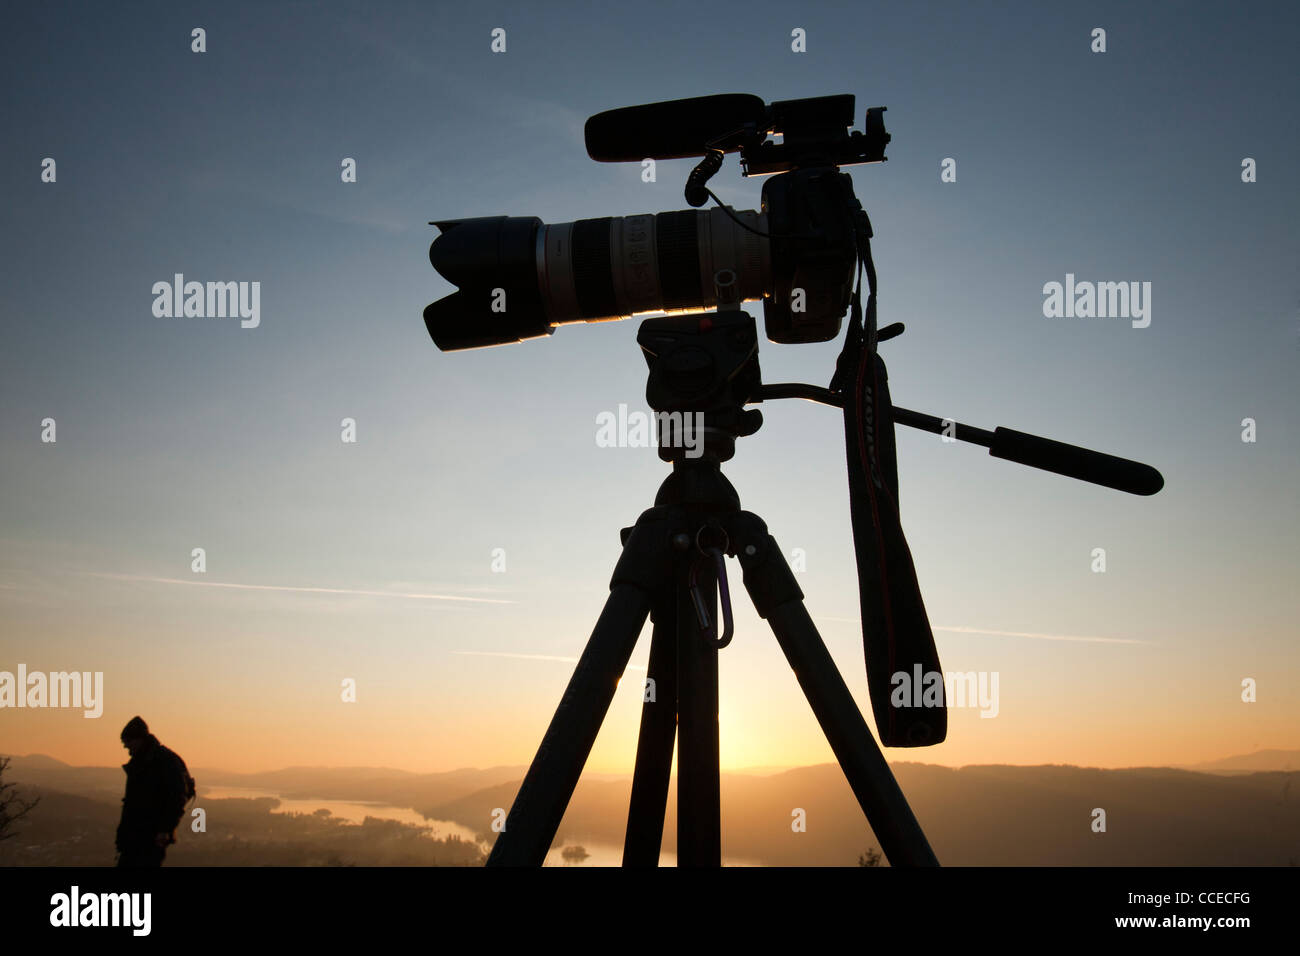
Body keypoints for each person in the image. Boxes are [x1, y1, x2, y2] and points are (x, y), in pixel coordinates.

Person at [115, 716, 193, 867]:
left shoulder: (162, 761)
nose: (126, 747)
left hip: (151, 836)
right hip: (137, 836)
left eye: (128, 742)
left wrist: (165, 829)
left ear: (139, 739)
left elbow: (177, 797)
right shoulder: (143, 761)